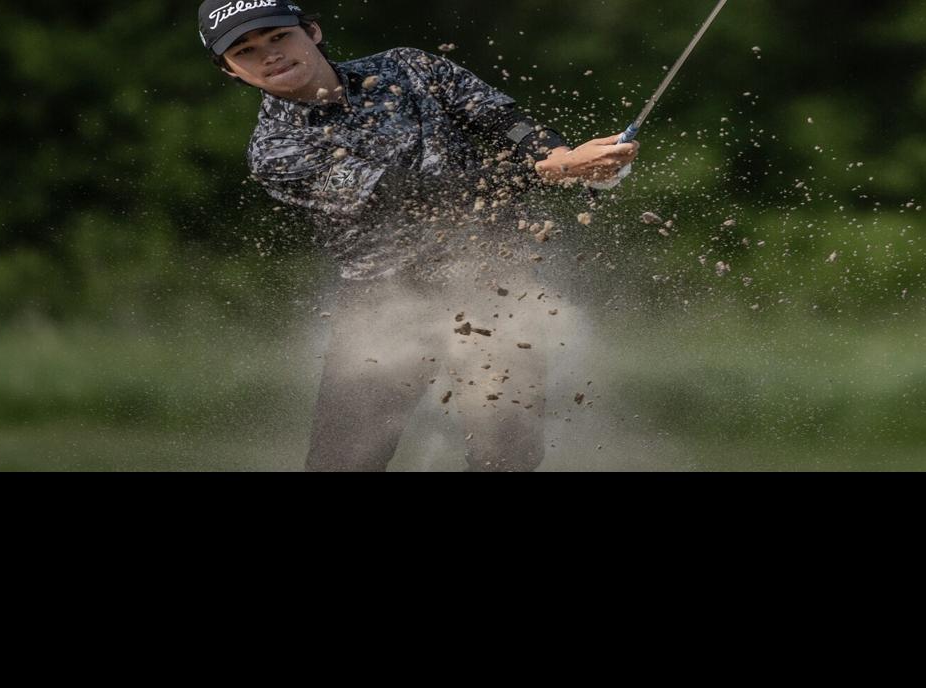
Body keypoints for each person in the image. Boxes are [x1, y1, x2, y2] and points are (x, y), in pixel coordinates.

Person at [196, 1, 638, 470]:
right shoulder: (276, 152)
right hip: (384, 306)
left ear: (312, 31)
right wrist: (550, 172)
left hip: (495, 282)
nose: (269, 55)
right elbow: (413, 196)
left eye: (278, 37)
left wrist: (560, 154)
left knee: (508, 457)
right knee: (344, 462)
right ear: (229, 70)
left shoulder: (407, 65)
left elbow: (501, 118)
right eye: (245, 51)